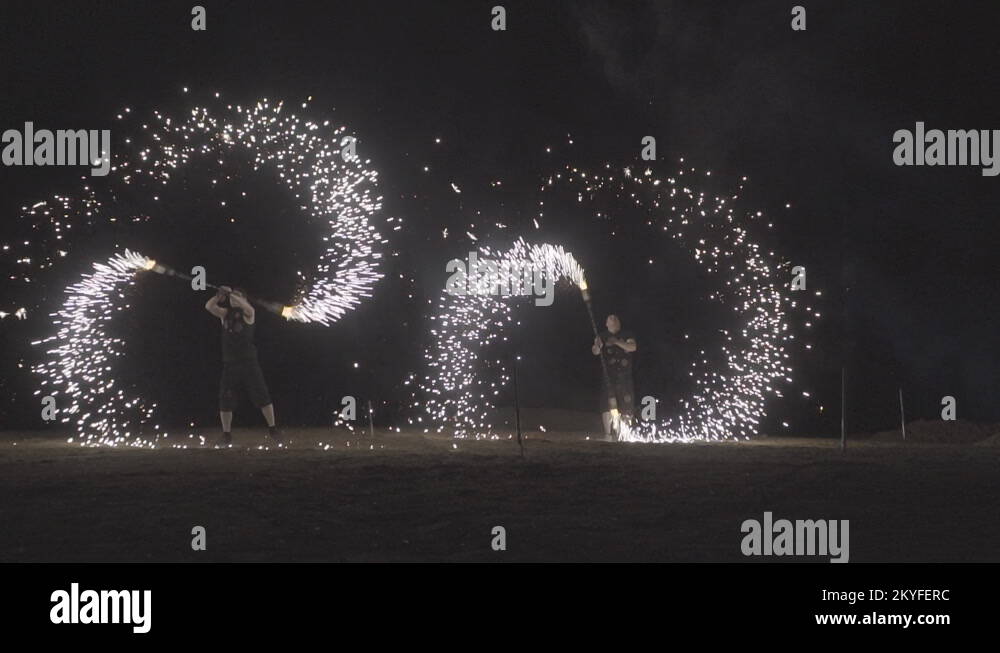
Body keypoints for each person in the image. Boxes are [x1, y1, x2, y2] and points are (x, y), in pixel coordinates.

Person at [204, 285, 282, 447]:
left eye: (237, 296)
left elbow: (247, 306)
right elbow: (209, 306)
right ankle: (226, 434)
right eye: (232, 297)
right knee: (225, 398)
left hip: (249, 362)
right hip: (230, 363)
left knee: (262, 394)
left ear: (243, 299)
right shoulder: (225, 314)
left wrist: (233, 293)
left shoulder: (249, 313)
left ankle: (273, 428)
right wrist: (219, 296)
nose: (232, 298)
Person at [591, 314, 638, 440]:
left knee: (626, 405)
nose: (613, 319)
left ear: (619, 323)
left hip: (624, 377)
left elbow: (632, 347)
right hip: (609, 377)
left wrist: (616, 341)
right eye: (610, 318)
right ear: (606, 324)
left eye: (615, 318)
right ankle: (608, 434)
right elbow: (595, 351)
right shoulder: (601, 336)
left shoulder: (627, 334)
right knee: (607, 405)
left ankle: (625, 435)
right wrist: (597, 346)